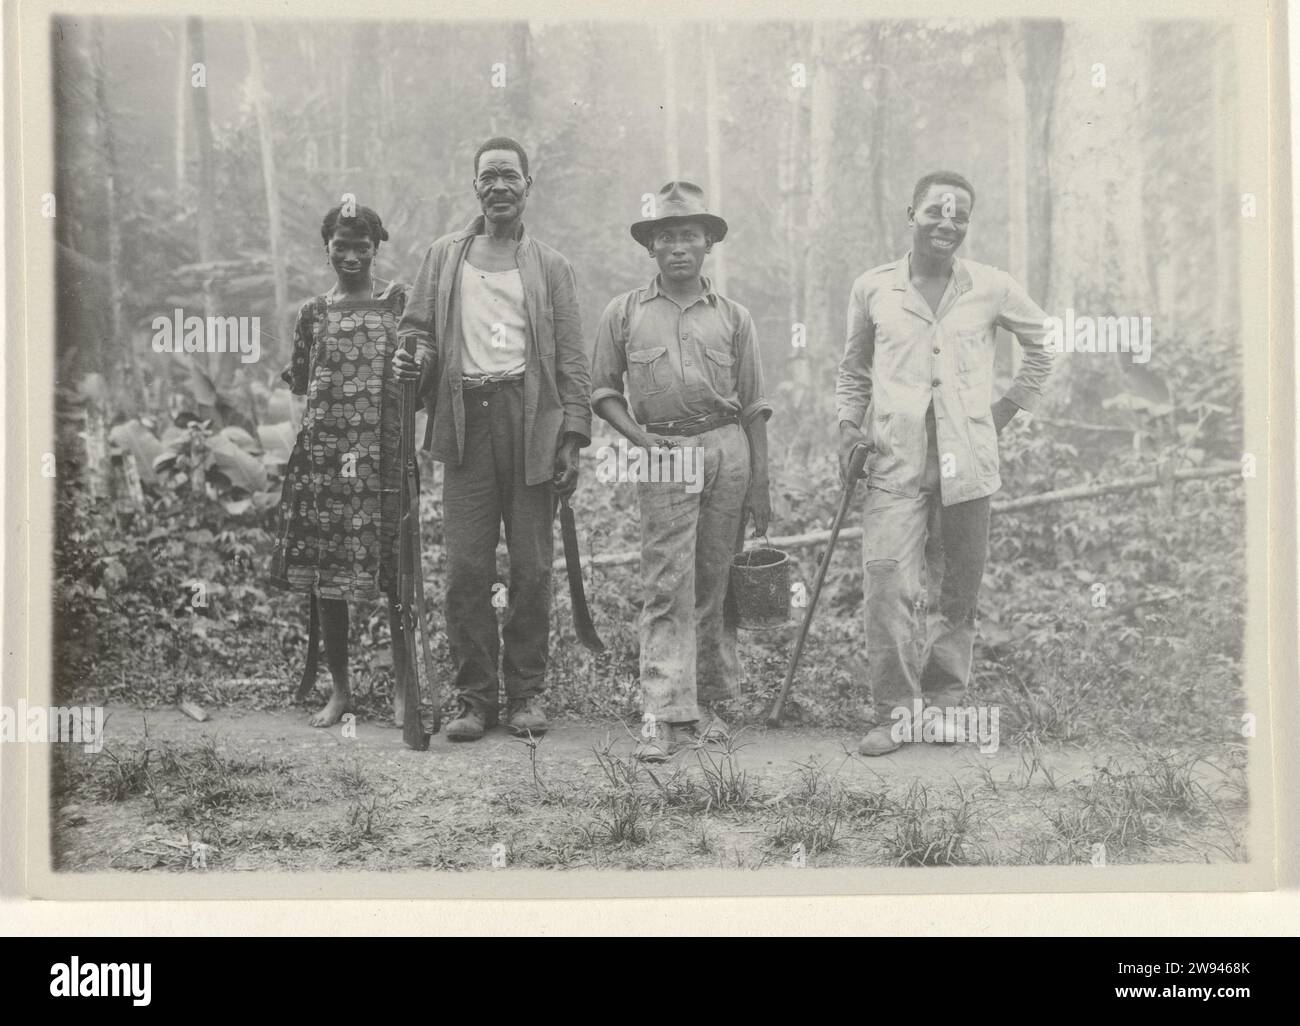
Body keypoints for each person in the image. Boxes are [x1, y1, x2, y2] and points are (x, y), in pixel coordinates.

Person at [835, 170, 1053, 756]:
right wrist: (848, 429)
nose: (947, 223)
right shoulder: (874, 288)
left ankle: (942, 706)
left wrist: (1004, 410)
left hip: (968, 466)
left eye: (959, 215)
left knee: (957, 593)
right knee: (887, 585)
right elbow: (854, 370)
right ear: (911, 214)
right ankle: (897, 713)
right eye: (936, 211)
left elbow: (1044, 344)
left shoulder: (991, 286)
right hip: (892, 463)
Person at [394, 136, 591, 741]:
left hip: (531, 418)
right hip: (464, 420)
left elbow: (572, 360)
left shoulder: (551, 265)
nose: (499, 186)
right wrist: (413, 361)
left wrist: (573, 435)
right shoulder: (445, 255)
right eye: (488, 177)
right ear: (475, 187)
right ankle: (475, 699)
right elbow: (419, 331)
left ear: (528, 188)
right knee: (466, 568)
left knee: (531, 567)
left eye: (510, 176)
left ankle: (527, 693)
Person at [591, 181, 772, 763]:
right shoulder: (624, 313)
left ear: (708, 243)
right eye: (666, 236)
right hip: (664, 452)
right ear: (651, 247)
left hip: (726, 450)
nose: (677, 247)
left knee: (715, 580)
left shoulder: (734, 317)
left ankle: (712, 705)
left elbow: (754, 406)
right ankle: (662, 713)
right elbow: (601, 391)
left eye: (688, 236)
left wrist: (761, 482)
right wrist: (641, 440)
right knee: (666, 583)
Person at [270, 203, 426, 728]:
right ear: (327, 248)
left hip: (384, 460)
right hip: (328, 465)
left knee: (396, 576)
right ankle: (340, 690)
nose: (353, 256)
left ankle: (404, 690)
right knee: (327, 580)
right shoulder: (313, 313)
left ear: (376, 247)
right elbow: (300, 385)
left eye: (363, 246)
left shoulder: (398, 303)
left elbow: (421, 378)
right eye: (342, 245)